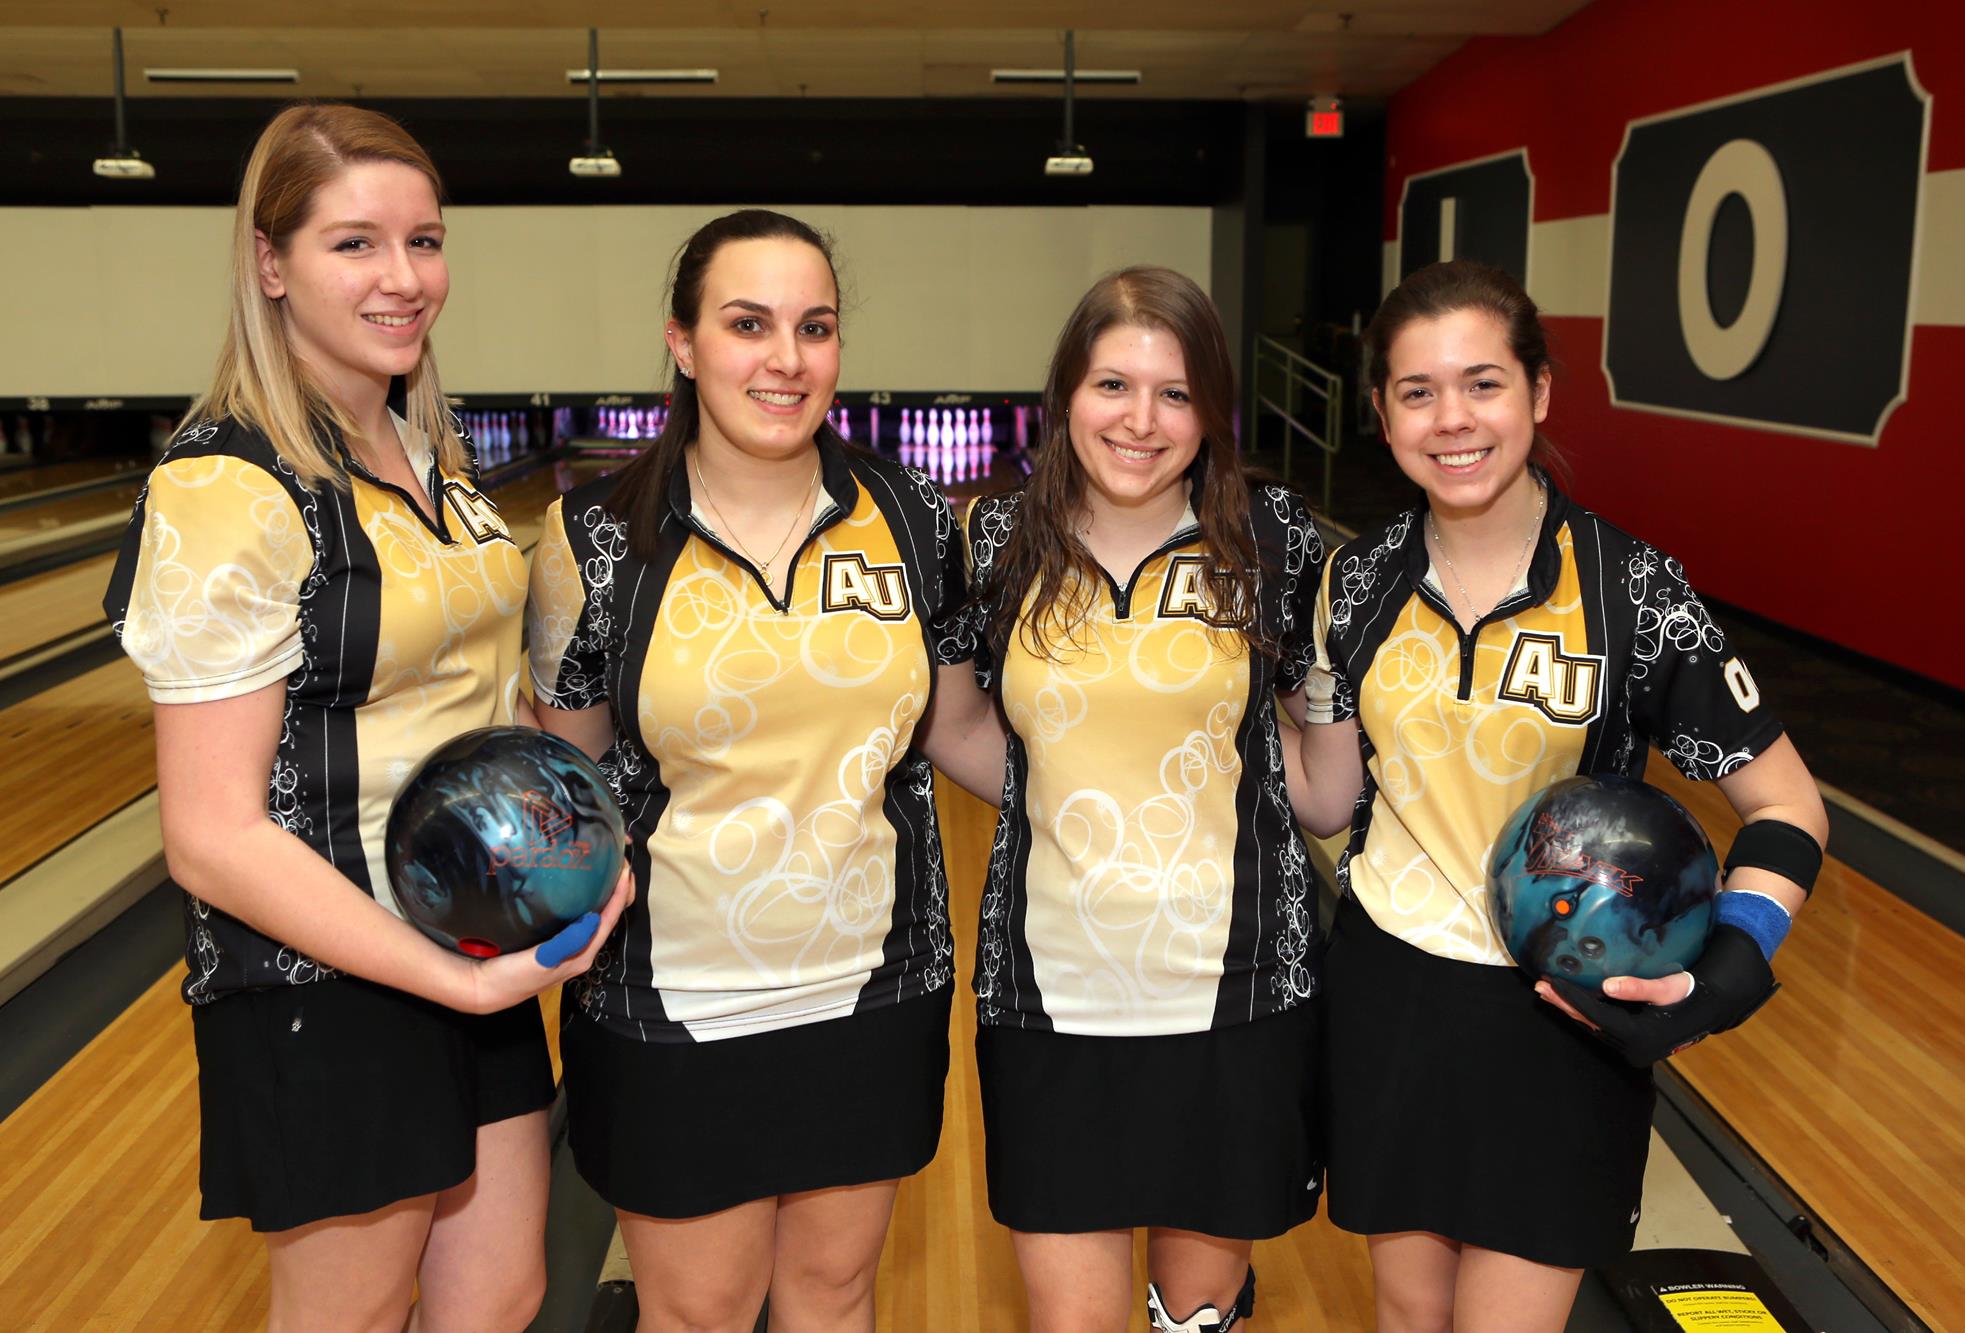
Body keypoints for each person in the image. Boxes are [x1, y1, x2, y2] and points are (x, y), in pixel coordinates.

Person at [101, 103, 627, 1332]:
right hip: (324, 974)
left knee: (498, 1296)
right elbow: (209, 836)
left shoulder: (423, 457)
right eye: (355, 245)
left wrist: (588, 851)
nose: (404, 279)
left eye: (423, 240)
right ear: (270, 264)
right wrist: (452, 980)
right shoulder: (226, 486)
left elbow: (493, 717)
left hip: (464, 946)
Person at [1286, 259, 1828, 1333]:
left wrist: (1722, 974)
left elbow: (1788, 809)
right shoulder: (1354, 583)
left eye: (1482, 383)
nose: (1452, 419)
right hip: (1389, 996)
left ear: (1537, 392)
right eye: (1416, 391)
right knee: (1407, 1315)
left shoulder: (1633, 588)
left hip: (1559, 1019)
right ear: (1382, 415)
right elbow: (1327, 800)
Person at [526, 208, 1002, 1333]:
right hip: (666, 998)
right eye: (748, 324)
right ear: (683, 342)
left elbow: (954, 726)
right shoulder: (592, 539)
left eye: (814, 326)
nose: (785, 359)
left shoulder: (912, 517)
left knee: (833, 1295)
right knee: (700, 1310)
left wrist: (1117, 791)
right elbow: (565, 778)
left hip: (874, 982)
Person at [958, 266, 1330, 1332]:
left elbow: (1315, 754)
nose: (1139, 419)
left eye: (1173, 393)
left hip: (1236, 986)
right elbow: (954, 720)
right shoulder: (993, 543)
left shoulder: (1276, 541)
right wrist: (1059, 799)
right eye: (1111, 385)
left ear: (1209, 406)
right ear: (1064, 394)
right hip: (1046, 991)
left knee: (1196, 1320)